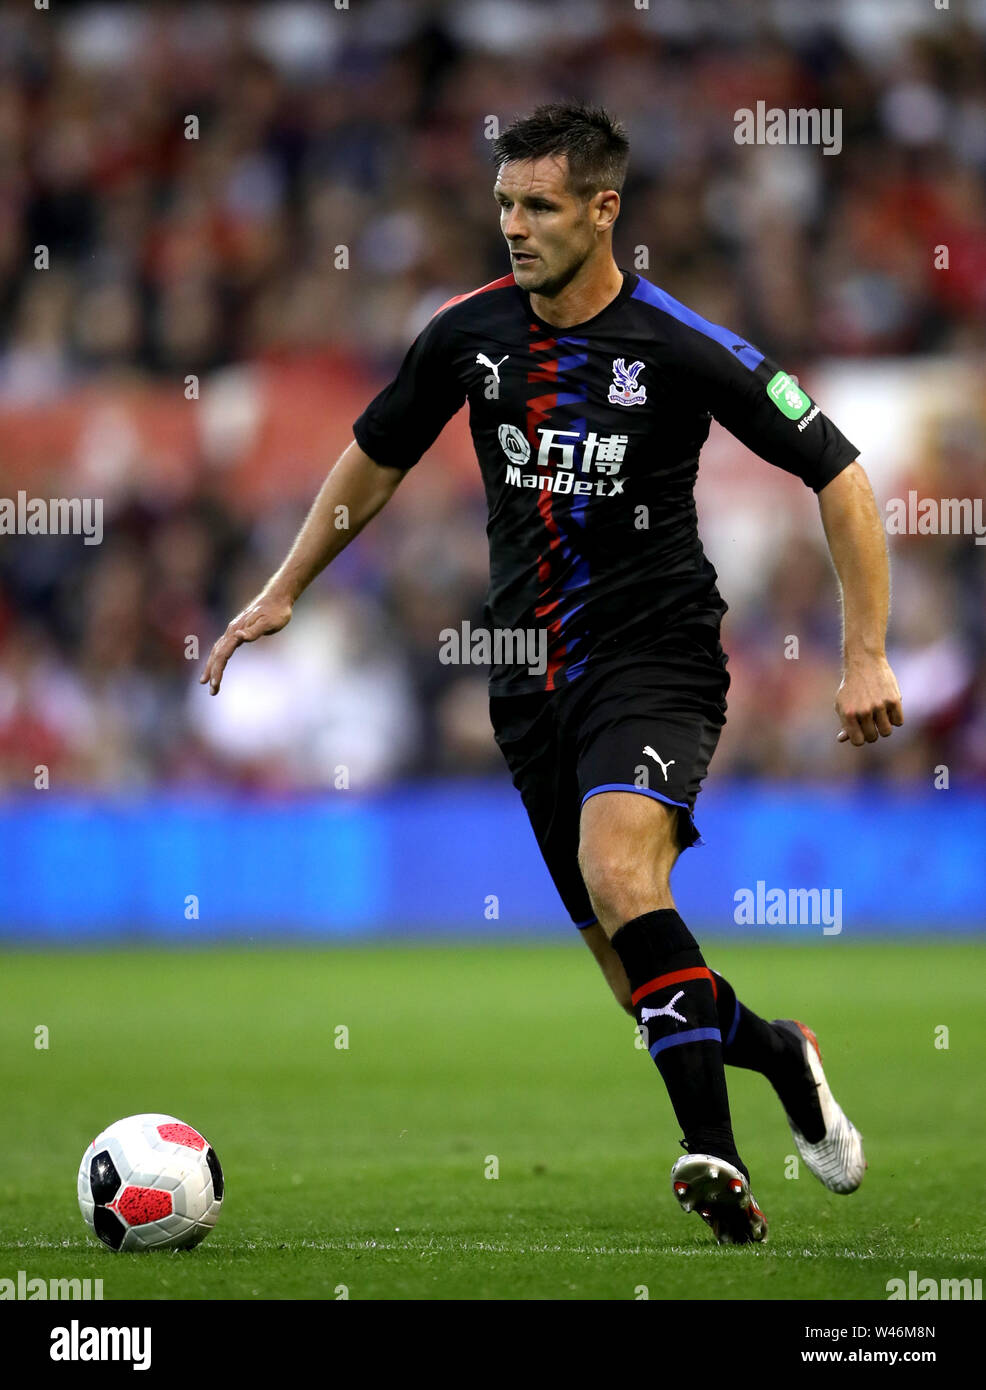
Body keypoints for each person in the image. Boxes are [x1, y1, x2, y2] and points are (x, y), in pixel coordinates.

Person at [202, 103, 904, 1244]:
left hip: (656, 659)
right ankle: (780, 1052)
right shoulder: (465, 334)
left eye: (538, 206)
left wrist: (862, 651)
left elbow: (842, 474)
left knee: (622, 874)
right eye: (503, 204)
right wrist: (285, 587)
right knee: (639, 979)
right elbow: (375, 457)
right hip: (527, 679)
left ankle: (715, 1159)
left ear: (603, 209)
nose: (514, 226)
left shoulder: (679, 344)